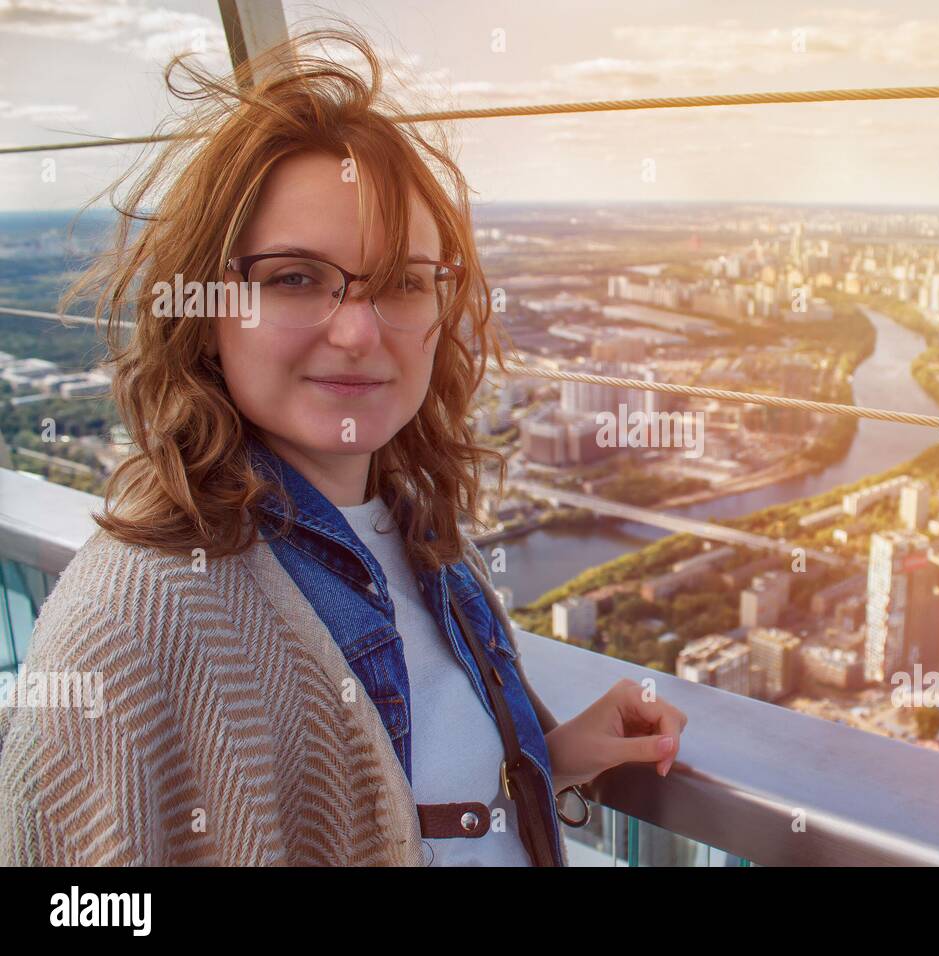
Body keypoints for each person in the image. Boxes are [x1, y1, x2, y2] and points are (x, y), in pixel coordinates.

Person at [0, 25, 685, 866]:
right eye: (295, 278)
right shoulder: (130, 623)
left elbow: (409, 789)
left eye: (400, 281)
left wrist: (556, 754)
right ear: (208, 311)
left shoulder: (421, 534)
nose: (358, 331)